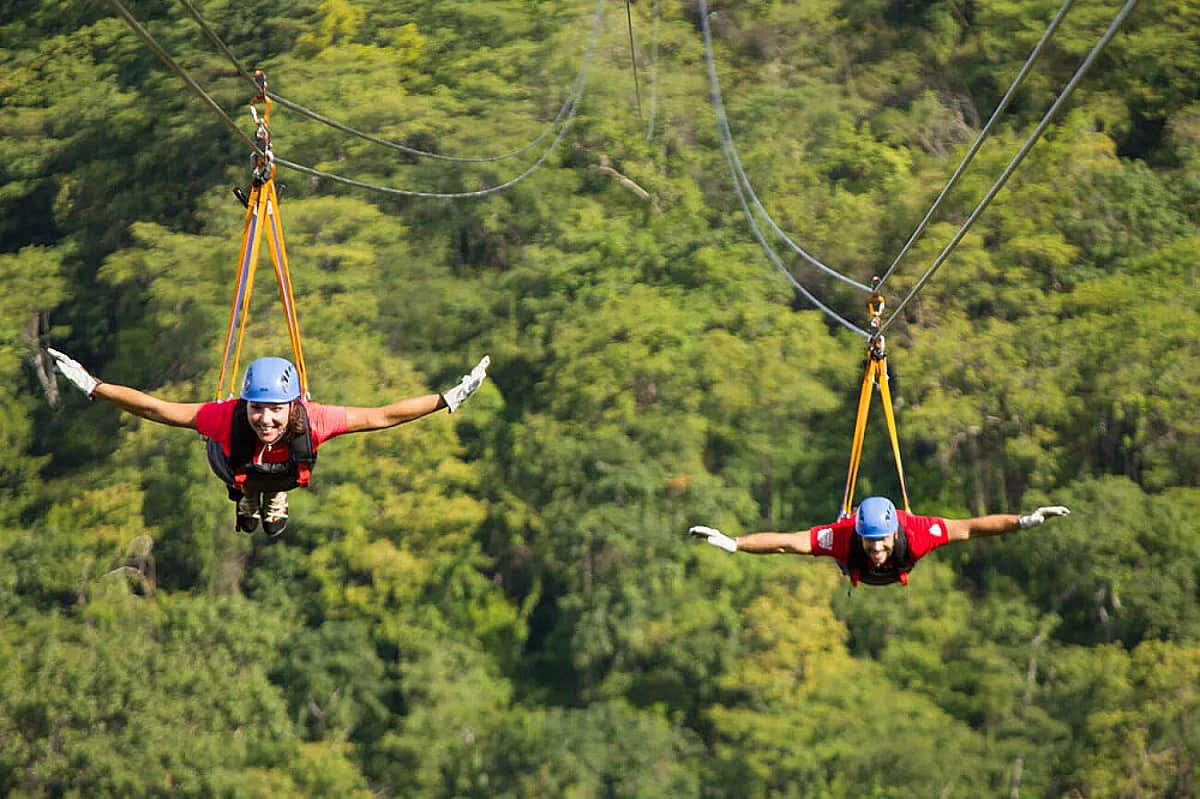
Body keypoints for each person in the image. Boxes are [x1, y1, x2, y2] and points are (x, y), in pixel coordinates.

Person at [47, 348, 490, 537]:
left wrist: (445, 400)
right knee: (246, 469)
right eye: (258, 409)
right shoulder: (228, 417)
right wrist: (94, 387)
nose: (266, 418)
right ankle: (248, 497)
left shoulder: (312, 419)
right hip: (234, 464)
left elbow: (382, 416)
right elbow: (158, 409)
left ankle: (268, 498)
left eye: (276, 409)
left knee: (280, 470)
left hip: (282, 472)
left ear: (292, 405)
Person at [688, 496, 1070, 586]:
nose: (877, 549)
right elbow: (788, 542)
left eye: (882, 542)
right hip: (851, 567)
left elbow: (972, 527)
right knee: (817, 544)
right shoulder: (842, 539)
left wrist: (1023, 521)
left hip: (897, 568)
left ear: (894, 534)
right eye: (870, 542)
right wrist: (734, 543)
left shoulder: (919, 534)